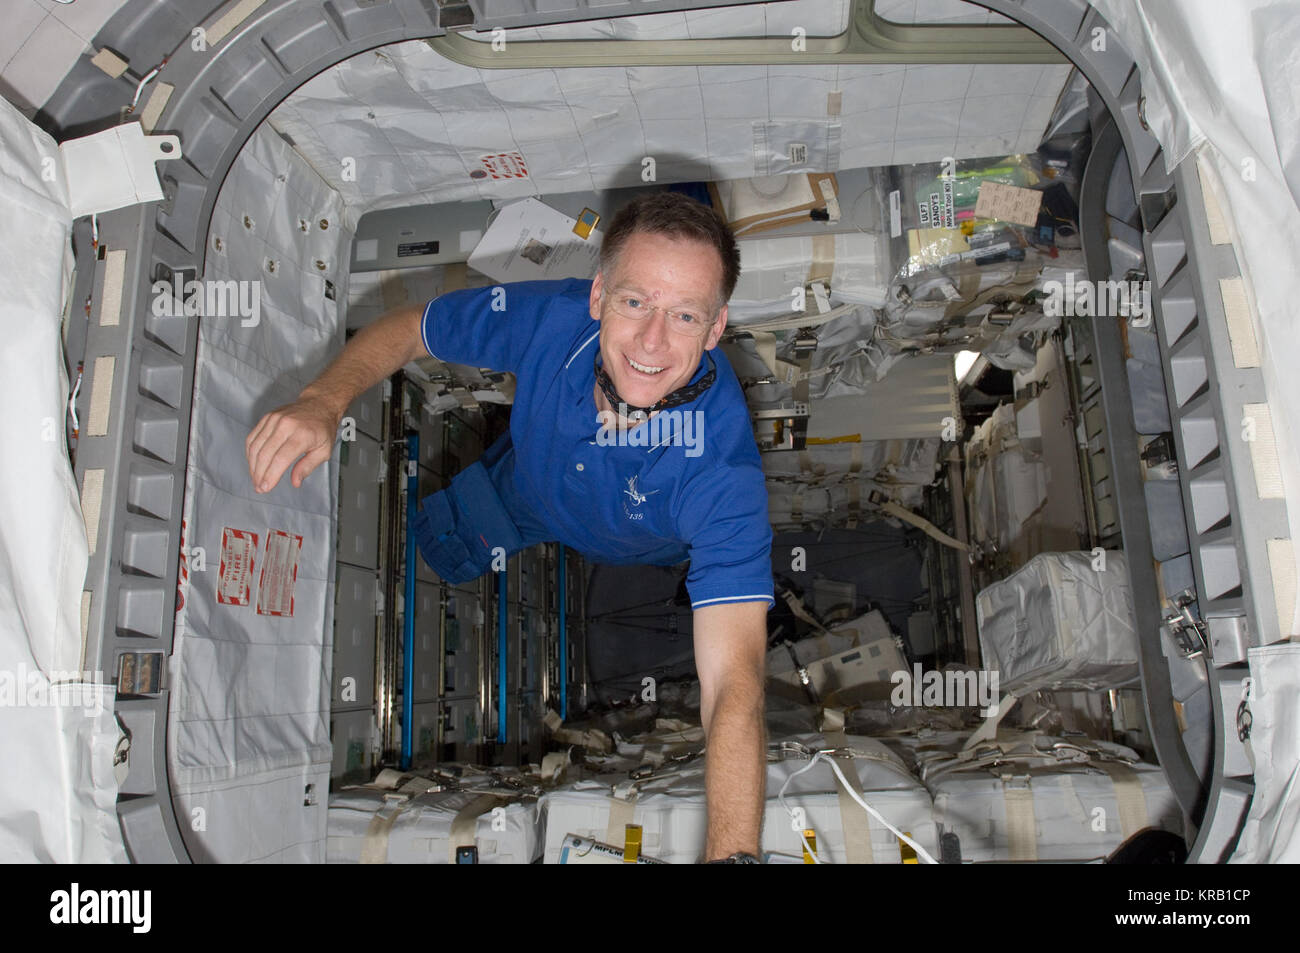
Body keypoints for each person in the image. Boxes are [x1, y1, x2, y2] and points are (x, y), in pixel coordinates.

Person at [245, 192, 772, 862]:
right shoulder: (549, 317)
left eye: (685, 314)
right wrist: (323, 398)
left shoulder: (721, 474)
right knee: (439, 546)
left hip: (645, 538)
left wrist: (733, 854)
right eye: (636, 301)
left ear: (716, 325)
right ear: (598, 294)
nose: (652, 340)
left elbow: (735, 684)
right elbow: (413, 326)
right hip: (533, 484)